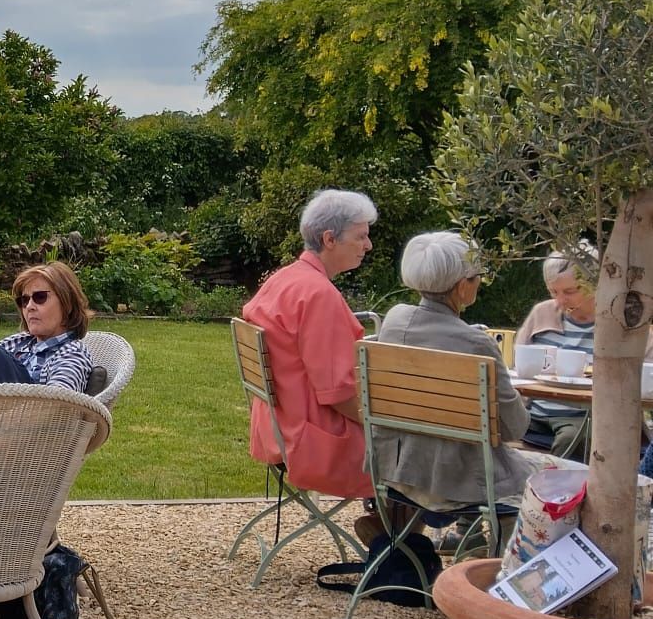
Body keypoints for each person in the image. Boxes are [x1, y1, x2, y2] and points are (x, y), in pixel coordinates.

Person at [374, 232, 568, 512]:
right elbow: (514, 428)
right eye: (477, 276)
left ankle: (479, 544)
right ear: (462, 286)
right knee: (576, 477)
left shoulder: (394, 320)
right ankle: (521, 554)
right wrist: (519, 399)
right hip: (460, 481)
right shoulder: (476, 343)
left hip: (397, 471)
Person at [240, 189, 378, 502]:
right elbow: (339, 394)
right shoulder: (319, 296)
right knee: (418, 448)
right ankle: (395, 542)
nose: (368, 246)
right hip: (316, 442)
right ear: (330, 239)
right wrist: (389, 421)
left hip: (276, 430)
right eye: (361, 237)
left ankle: (390, 534)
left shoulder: (284, 279)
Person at [513, 245, 653, 454]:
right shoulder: (541, 313)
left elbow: (645, 383)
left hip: (586, 418)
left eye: (570, 291)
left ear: (596, 284)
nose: (560, 300)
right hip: (535, 414)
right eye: (553, 291)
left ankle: (555, 486)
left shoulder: (625, 323)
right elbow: (518, 367)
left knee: (574, 438)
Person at [0, 262, 94, 391]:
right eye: (24, 300)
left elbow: (57, 405)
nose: (29, 306)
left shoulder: (71, 354)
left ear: (67, 304)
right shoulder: (15, 342)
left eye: (40, 297)